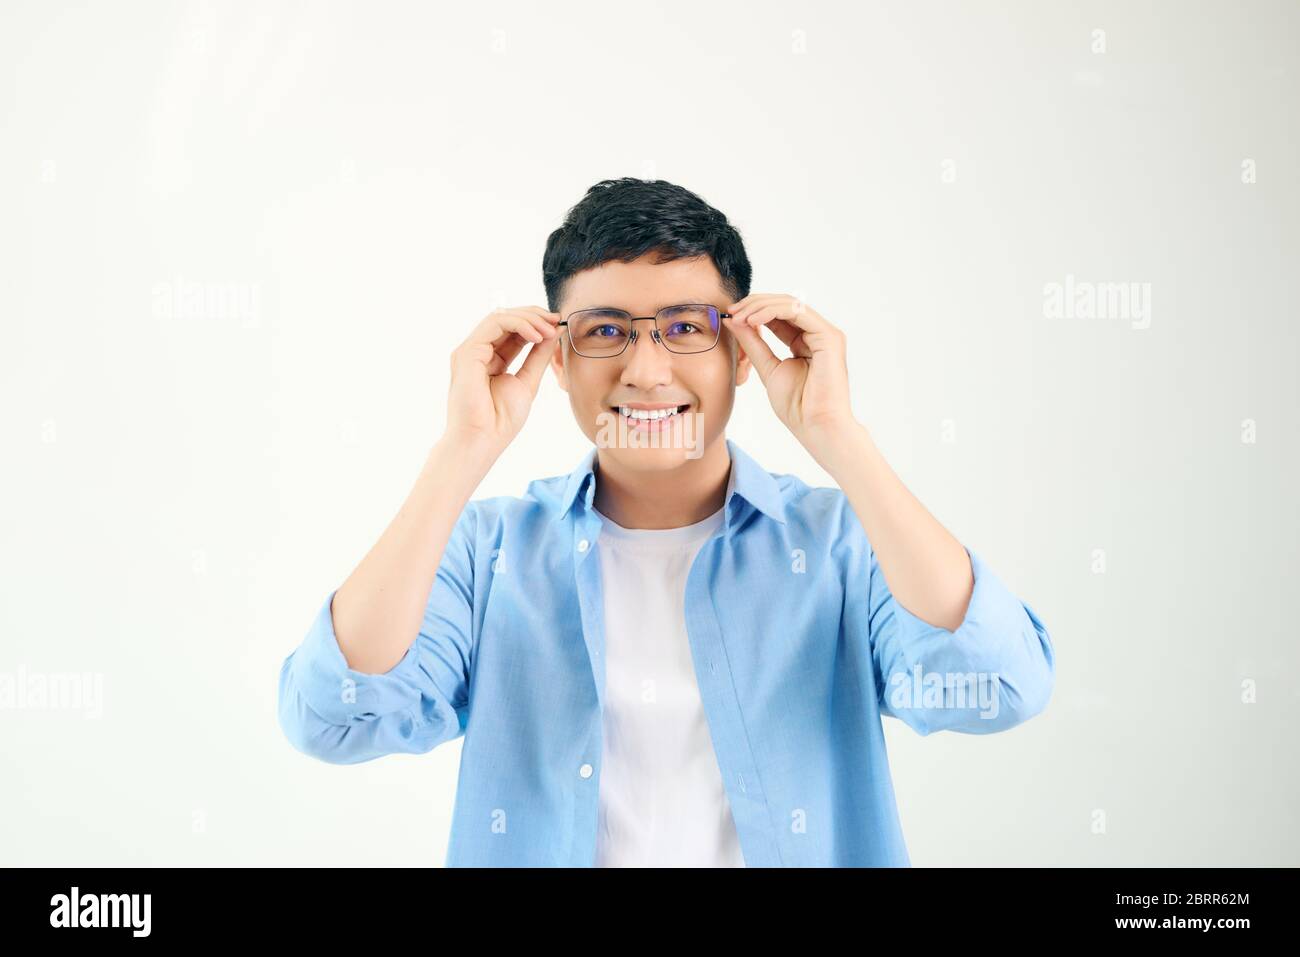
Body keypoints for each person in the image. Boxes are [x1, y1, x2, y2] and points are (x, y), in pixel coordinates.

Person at [277, 177, 1055, 867]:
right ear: (556, 358)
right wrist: (460, 452)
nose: (646, 373)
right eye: (605, 331)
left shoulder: (838, 543)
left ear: (744, 351)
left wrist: (838, 437)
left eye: (686, 327)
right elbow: (335, 715)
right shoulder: (491, 551)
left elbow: (999, 686)